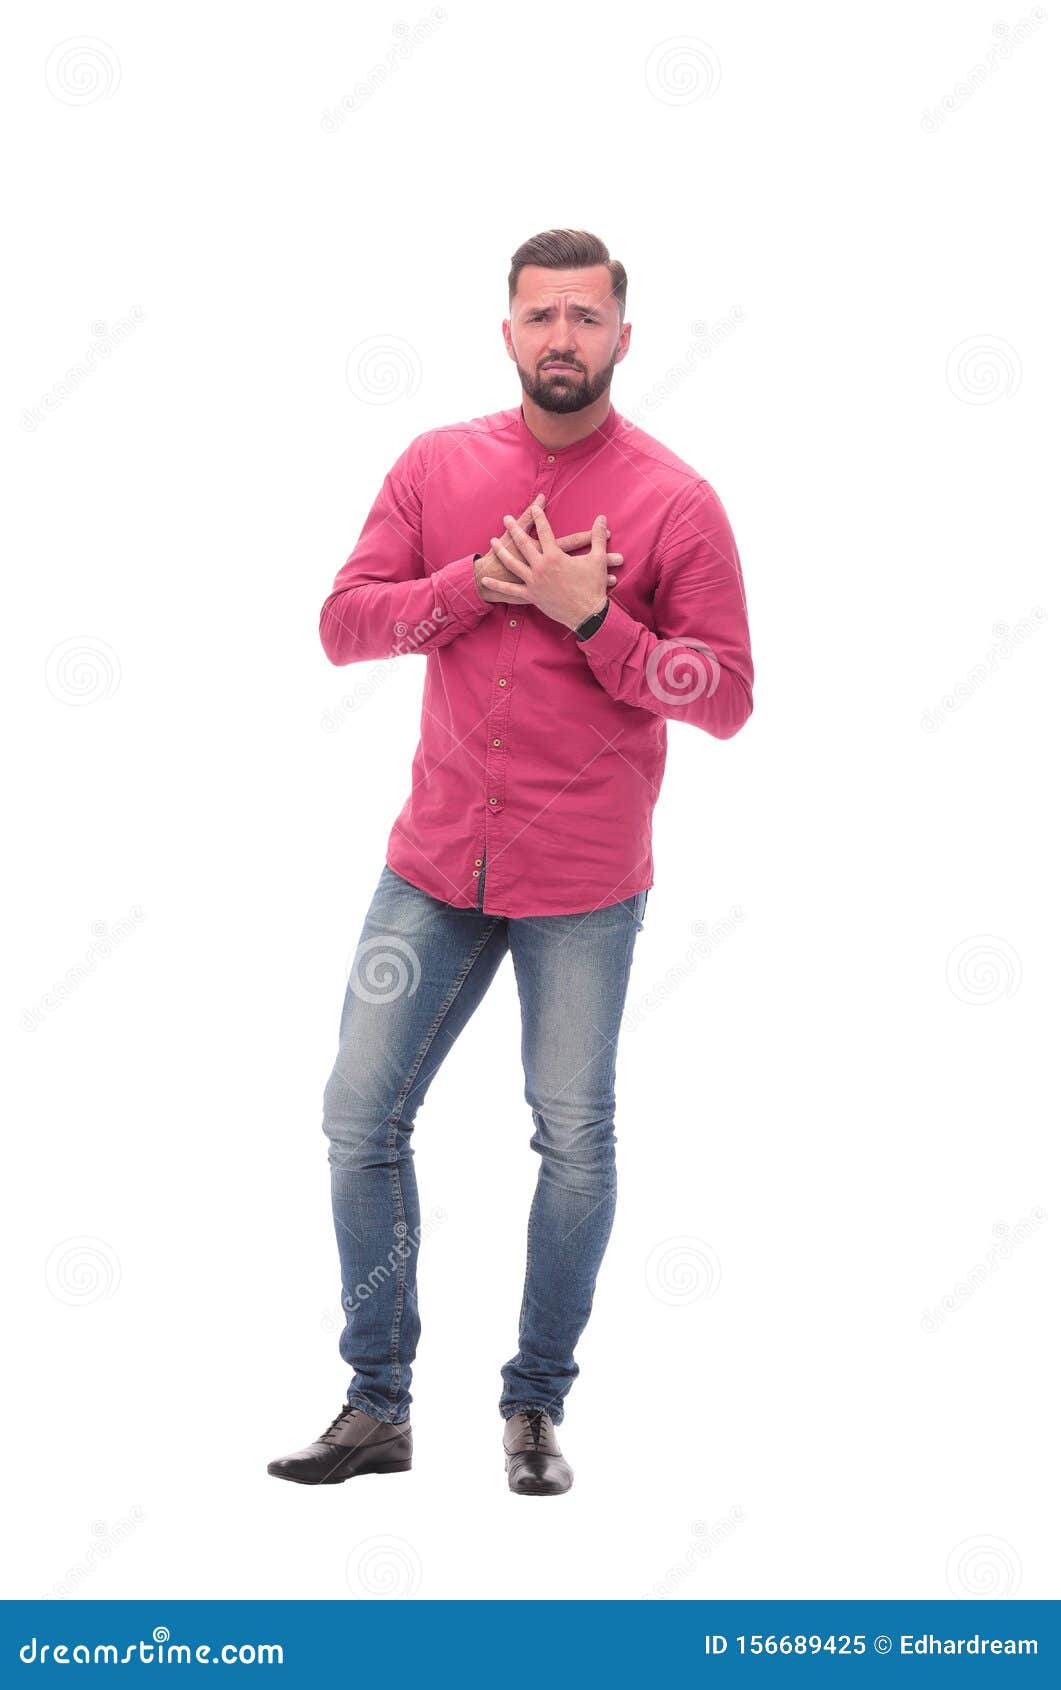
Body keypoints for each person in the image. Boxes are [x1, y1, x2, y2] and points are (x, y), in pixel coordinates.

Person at [267, 228, 755, 1496]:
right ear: (506, 332)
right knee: (356, 1115)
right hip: (431, 864)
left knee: (574, 1137)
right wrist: (472, 587)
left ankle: (533, 1406)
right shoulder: (436, 464)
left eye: (584, 318)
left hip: (585, 882)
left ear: (621, 339)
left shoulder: (675, 502)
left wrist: (594, 617)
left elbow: (726, 695)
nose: (560, 338)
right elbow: (339, 623)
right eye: (539, 315)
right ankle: (377, 1405)